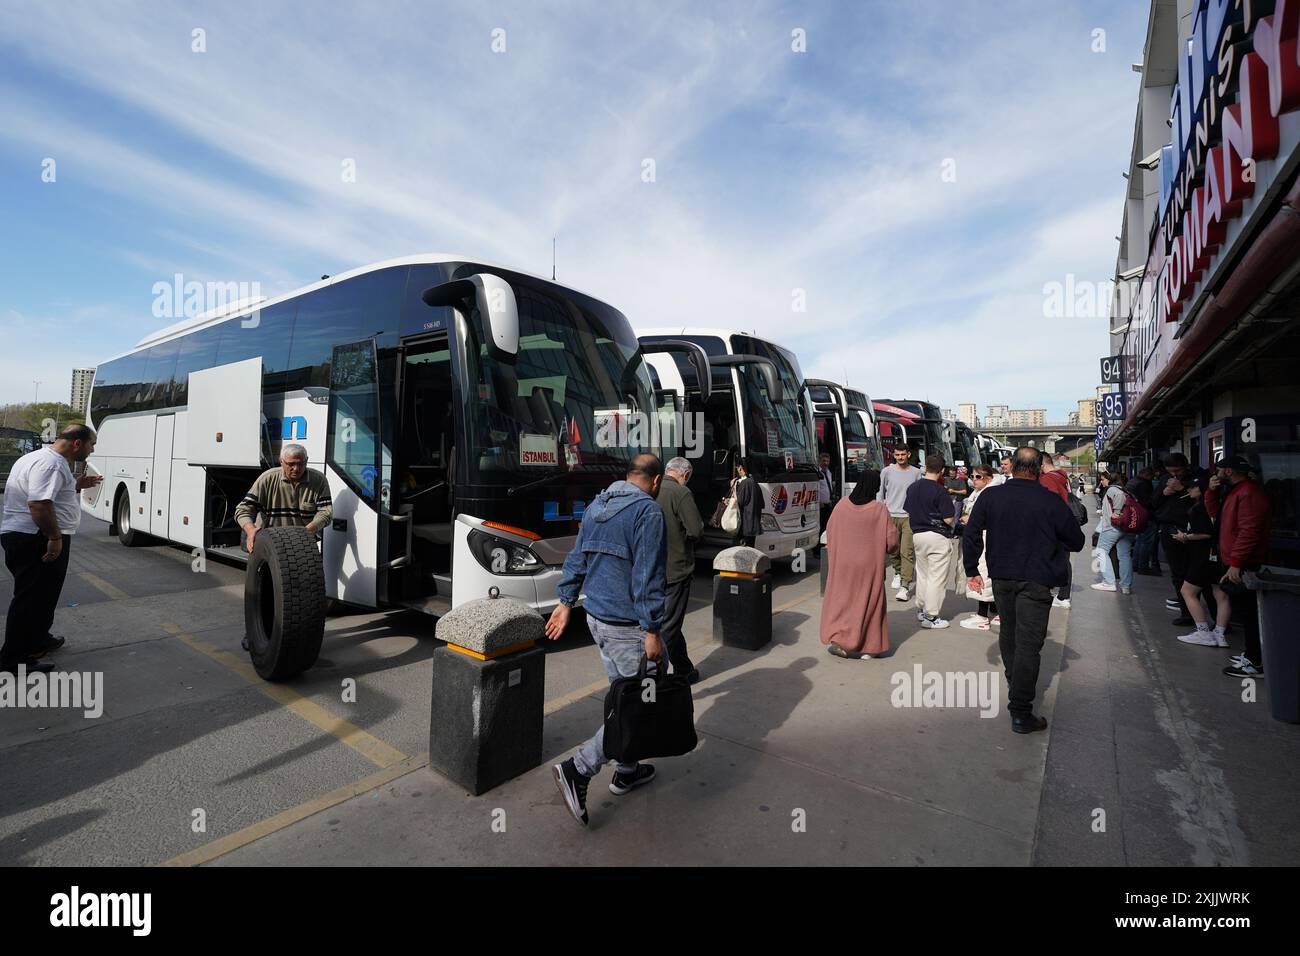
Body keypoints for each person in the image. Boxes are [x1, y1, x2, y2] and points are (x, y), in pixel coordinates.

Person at [548, 453, 669, 826]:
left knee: (622, 696)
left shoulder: (597, 504)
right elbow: (648, 575)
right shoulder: (647, 512)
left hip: (597, 621)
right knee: (638, 704)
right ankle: (579, 769)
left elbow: (576, 559)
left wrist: (566, 603)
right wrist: (652, 630)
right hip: (628, 627)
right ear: (657, 479)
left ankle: (627, 769)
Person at [963, 447, 1084, 734]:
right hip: (1037, 579)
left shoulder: (991, 496)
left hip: (1002, 576)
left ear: (1012, 465)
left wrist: (972, 570)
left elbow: (970, 532)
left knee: (1009, 632)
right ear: (1040, 468)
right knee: (1029, 643)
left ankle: (1014, 680)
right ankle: (1020, 711)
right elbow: (1077, 541)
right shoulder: (1050, 501)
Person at [1, 424, 102, 675]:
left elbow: (50, 495)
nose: (92, 450)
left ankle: (37, 640)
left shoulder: (38, 458)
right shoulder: (52, 464)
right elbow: (38, 504)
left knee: (43, 594)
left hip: (30, 535)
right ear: (77, 443)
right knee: (30, 598)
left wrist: (76, 485)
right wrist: (54, 537)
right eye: (91, 444)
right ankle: (12, 658)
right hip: (36, 537)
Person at [820, 469, 899, 659]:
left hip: (843, 564)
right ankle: (869, 649)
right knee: (870, 602)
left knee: (843, 601)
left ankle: (842, 641)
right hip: (869, 566)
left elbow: (829, 531)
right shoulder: (879, 509)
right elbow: (892, 542)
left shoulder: (841, 505)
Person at [1204, 454, 1271, 678]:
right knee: (1245, 610)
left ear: (1229, 471)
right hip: (1233, 559)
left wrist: (1236, 563)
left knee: (1250, 612)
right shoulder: (1234, 491)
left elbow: (1248, 531)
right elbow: (1215, 514)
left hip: (1243, 562)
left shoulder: (1248, 493)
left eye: (1219, 470)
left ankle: (1256, 662)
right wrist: (1211, 491)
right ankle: (1252, 653)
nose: (1217, 473)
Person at [234, 444, 333, 552]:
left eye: (300, 463)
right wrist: (251, 530)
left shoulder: (319, 480)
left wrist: (306, 532)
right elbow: (243, 509)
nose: (296, 468)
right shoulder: (267, 478)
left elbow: (326, 512)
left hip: (303, 542)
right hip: (269, 542)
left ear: (307, 460)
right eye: (291, 464)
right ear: (281, 461)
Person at [656, 456, 702, 683]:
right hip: (676, 568)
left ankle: (684, 668)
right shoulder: (680, 493)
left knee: (667, 622)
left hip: (652, 569)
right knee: (669, 627)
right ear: (684, 474)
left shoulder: (651, 488)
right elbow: (695, 530)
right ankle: (657, 675)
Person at [904, 453, 959, 629]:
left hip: (918, 534)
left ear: (925, 467)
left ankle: (920, 609)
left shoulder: (912, 488)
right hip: (937, 536)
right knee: (937, 577)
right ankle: (931, 616)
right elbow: (949, 518)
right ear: (942, 471)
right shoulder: (940, 491)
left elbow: (908, 511)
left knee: (923, 574)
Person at [1173, 478, 1230, 648]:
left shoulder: (1199, 508)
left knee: (1187, 591)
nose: (1189, 490)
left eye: (1194, 487)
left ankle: (1203, 632)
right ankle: (1220, 634)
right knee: (1221, 594)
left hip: (1202, 556)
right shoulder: (1219, 506)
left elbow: (1205, 533)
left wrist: (1185, 537)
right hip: (1219, 555)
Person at [1153, 453, 1200, 626]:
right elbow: (1153, 503)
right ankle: (1186, 611)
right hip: (1170, 530)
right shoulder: (1165, 479)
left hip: (1193, 531)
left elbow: (1202, 503)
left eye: (1178, 471)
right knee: (1178, 573)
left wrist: (1181, 489)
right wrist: (1163, 493)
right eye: (1171, 471)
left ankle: (1199, 610)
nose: (1175, 475)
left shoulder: (1197, 478)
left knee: (1196, 573)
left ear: (1185, 466)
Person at [879, 446, 922, 601]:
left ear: (909, 454)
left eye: (903, 454)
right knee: (893, 549)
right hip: (890, 515)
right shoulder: (886, 471)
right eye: (897, 454)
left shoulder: (916, 473)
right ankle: (897, 572)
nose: (900, 457)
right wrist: (880, 510)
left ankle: (905, 585)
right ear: (894, 455)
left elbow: (919, 494)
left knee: (907, 551)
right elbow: (880, 492)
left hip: (908, 517)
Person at [959, 464, 997, 630]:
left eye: (978, 477)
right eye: (972, 476)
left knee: (982, 574)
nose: (974, 480)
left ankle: (982, 616)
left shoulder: (988, 495)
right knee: (986, 575)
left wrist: (972, 520)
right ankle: (995, 613)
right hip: (982, 538)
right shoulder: (979, 493)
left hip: (983, 539)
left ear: (988, 478)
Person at [1039, 453, 1073, 609]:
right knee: (1064, 559)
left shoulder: (1048, 479)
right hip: (1065, 522)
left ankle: (1062, 596)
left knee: (1055, 559)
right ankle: (1063, 595)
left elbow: (1049, 505)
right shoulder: (1063, 476)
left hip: (1054, 526)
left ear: (1042, 465)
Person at [1092, 470, 1135, 593]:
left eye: (1103, 479)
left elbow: (1117, 507)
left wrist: (1116, 513)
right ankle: (1126, 586)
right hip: (1127, 527)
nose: (1101, 481)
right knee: (1124, 555)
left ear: (1110, 480)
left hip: (1113, 527)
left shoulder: (1112, 490)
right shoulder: (1126, 490)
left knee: (1101, 550)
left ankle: (1109, 582)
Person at [1128, 468, 1160, 575]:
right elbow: (1147, 501)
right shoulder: (1143, 484)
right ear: (1147, 475)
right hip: (1146, 515)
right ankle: (1143, 566)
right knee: (1146, 541)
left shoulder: (1133, 481)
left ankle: (1136, 564)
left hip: (1137, 515)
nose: (1153, 479)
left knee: (1140, 541)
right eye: (1152, 476)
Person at [732, 459, 763, 549]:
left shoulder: (744, 483)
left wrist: (733, 488)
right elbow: (762, 503)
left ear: (741, 468)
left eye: (738, 468)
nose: (737, 470)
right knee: (751, 550)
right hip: (754, 525)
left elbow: (739, 501)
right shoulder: (755, 483)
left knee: (742, 552)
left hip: (745, 525)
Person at [817, 452, 836, 543]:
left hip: (828, 503)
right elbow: (816, 488)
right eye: (824, 461)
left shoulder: (828, 472)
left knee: (827, 525)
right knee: (821, 526)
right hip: (821, 505)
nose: (826, 463)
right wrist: (819, 501)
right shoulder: (817, 472)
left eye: (827, 461)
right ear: (820, 461)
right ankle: (817, 549)